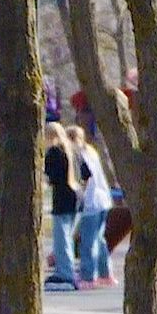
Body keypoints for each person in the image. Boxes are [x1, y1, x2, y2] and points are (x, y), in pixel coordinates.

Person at [67, 125, 116, 287]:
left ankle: (88, 276)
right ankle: (105, 272)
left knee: (88, 241)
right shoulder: (91, 151)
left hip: (91, 202)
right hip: (103, 199)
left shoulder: (79, 154)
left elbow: (86, 178)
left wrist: (79, 194)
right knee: (99, 239)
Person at [42, 122, 81, 292]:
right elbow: (84, 172)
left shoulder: (54, 152)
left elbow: (51, 176)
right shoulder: (72, 150)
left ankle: (65, 272)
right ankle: (67, 269)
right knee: (67, 236)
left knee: (61, 238)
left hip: (62, 198)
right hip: (74, 196)